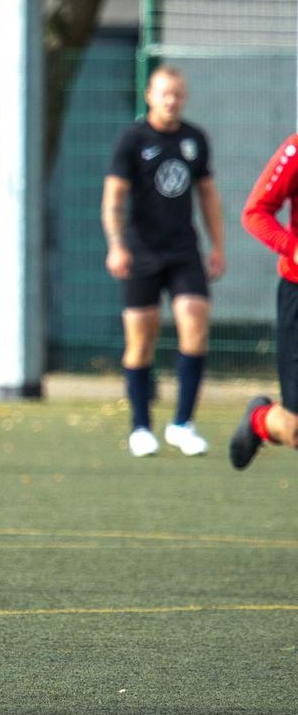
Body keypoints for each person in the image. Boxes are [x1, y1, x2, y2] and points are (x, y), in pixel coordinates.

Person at [102, 66, 225, 458]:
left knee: (195, 325)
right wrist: (117, 245)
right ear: (149, 96)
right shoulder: (132, 140)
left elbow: (207, 195)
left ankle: (182, 424)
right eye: (164, 93)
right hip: (141, 252)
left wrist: (217, 245)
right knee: (140, 342)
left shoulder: (194, 139)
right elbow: (114, 199)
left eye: (177, 94)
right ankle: (140, 426)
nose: (171, 101)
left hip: (183, 251)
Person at [230, 133, 298, 468]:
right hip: (297, 293)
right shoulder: (296, 149)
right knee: (296, 428)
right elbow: (255, 211)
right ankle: (261, 420)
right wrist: (292, 247)